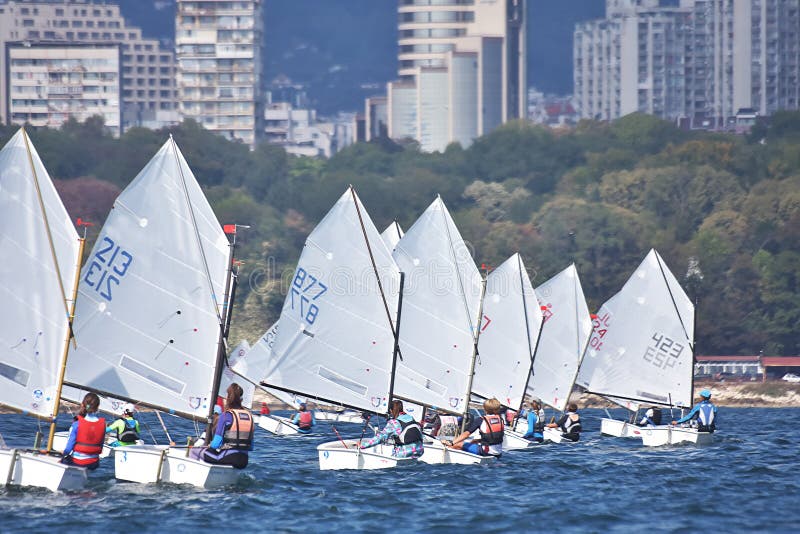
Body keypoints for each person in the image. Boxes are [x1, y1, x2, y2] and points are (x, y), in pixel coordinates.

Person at [202, 383, 254, 469]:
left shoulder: (226, 416)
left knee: (199, 452)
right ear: (241, 399)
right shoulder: (249, 416)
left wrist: (209, 446)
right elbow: (251, 446)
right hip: (244, 461)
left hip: (229, 457)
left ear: (228, 398)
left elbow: (216, 444)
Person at [61, 392, 106, 469]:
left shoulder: (76, 424)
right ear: (97, 407)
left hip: (77, 462)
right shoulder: (103, 424)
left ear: (82, 405)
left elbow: (68, 449)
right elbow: (101, 445)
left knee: (61, 460)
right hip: (94, 464)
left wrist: (63, 453)